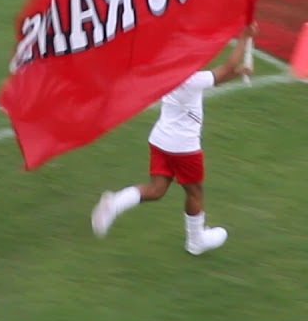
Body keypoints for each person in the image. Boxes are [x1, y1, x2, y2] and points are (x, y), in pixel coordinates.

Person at [91, 23, 258, 255]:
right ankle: (196, 241)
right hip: (184, 148)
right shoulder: (191, 80)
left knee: (156, 189)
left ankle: (116, 203)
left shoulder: (167, 72)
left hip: (161, 140)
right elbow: (225, 68)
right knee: (195, 193)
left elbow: (220, 76)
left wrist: (239, 72)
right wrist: (244, 38)